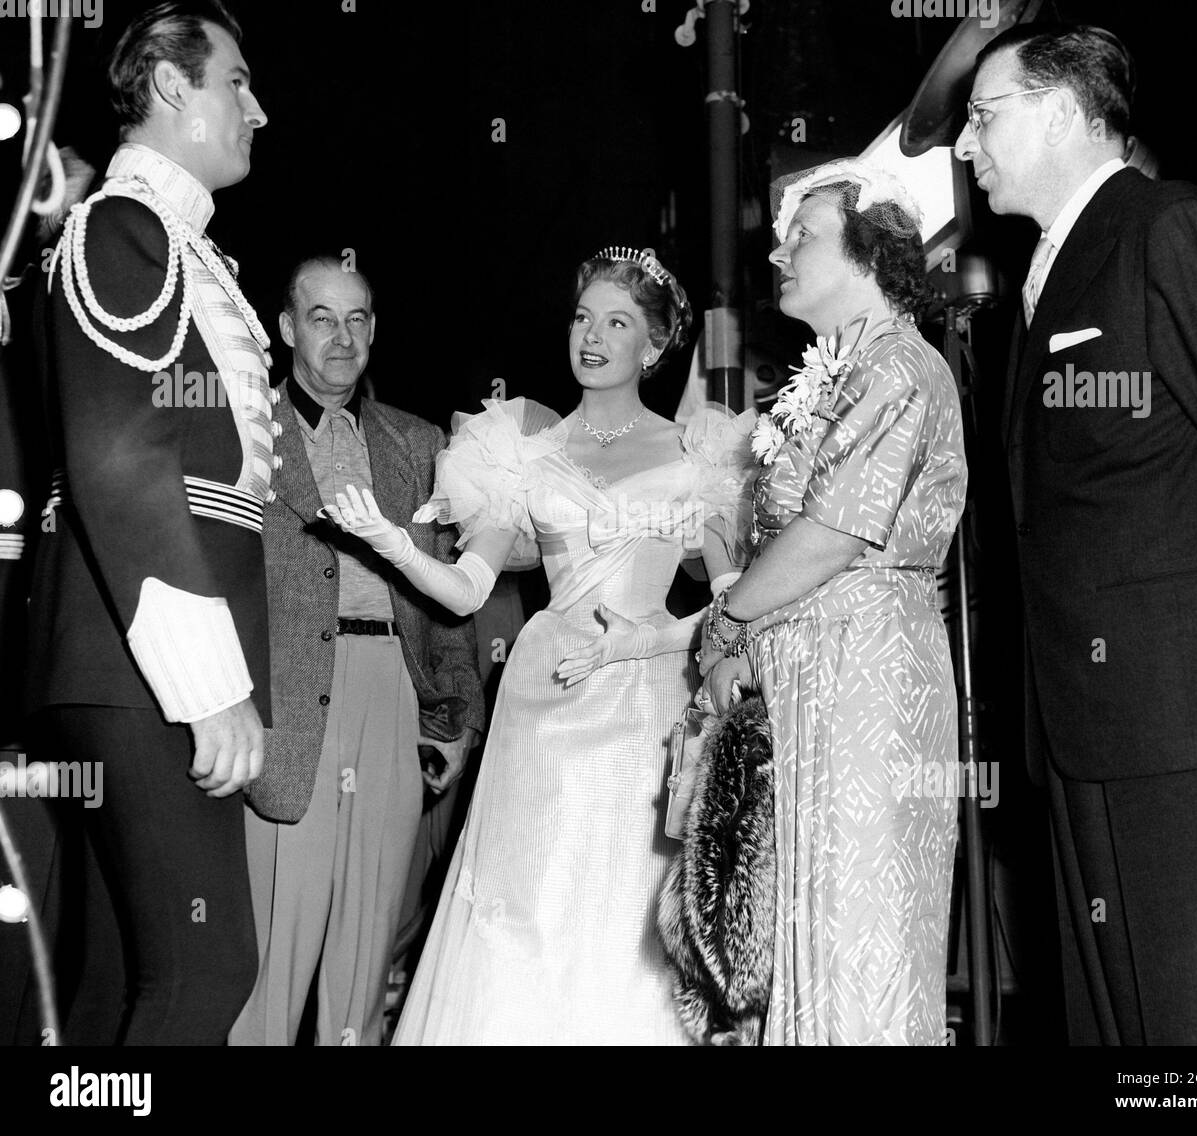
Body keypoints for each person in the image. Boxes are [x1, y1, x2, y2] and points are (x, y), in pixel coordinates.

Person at [955, 23, 1197, 1045]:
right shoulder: (1046, 276)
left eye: (983, 116)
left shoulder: (1172, 232)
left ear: (1062, 112)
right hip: (1086, 731)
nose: (967, 147)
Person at [323, 246, 755, 1044]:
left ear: (654, 347)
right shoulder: (520, 450)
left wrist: (641, 642)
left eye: (617, 322)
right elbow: (468, 588)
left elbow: (739, 611)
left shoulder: (702, 456)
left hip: (647, 697)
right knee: (528, 896)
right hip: (545, 689)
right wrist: (392, 543)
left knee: (624, 908)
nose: (592, 336)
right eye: (583, 317)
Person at [23, 1, 273, 1044]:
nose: (258, 109)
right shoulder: (120, 226)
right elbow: (124, 460)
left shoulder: (175, 242)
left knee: (116, 981)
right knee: (206, 971)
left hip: (131, 661)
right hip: (146, 663)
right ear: (174, 87)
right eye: (236, 83)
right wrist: (207, 684)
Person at [698, 159, 968, 1045]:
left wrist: (728, 618)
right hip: (813, 665)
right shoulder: (840, 372)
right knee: (807, 926)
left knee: (862, 930)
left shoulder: (902, 367)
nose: (778, 251)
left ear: (869, 252)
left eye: (801, 235)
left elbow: (835, 532)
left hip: (868, 673)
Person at [228, 257, 483, 1046]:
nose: (343, 336)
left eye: (359, 318)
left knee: (371, 942)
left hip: (392, 687)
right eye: (322, 317)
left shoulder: (417, 441)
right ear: (285, 328)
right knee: (275, 940)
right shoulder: (243, 428)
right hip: (285, 693)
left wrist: (453, 713)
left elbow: (447, 597)